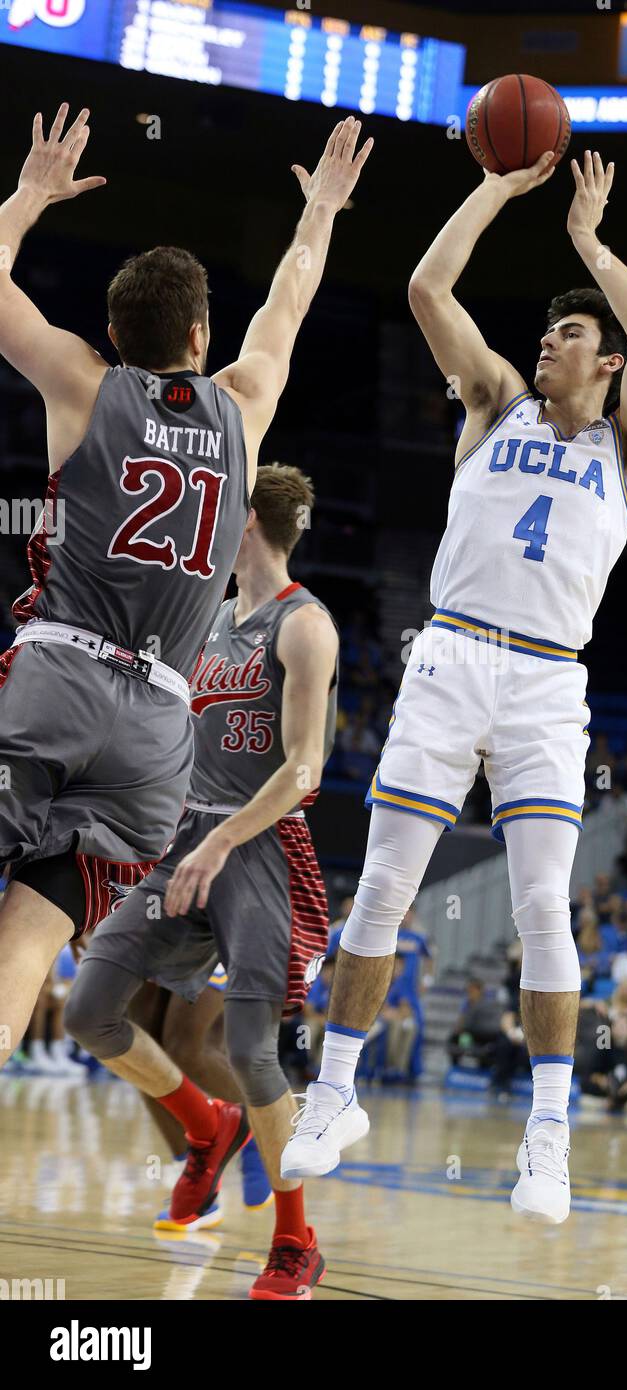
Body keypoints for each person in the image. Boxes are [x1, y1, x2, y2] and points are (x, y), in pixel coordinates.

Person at [281, 147, 627, 1226]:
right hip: (451, 654)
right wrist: (498, 191)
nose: (547, 341)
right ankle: (332, 1094)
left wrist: (591, 245)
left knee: (544, 901)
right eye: (547, 329)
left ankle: (547, 1137)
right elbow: (425, 288)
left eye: (569, 333)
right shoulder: (492, 400)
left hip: (548, 681)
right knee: (385, 884)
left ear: (603, 363)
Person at [0, 108, 370, 1071]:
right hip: (159, 736)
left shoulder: (84, 382)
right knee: (25, 951)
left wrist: (30, 196)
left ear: (114, 333)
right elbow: (288, 303)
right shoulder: (243, 410)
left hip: (59, 682)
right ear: (203, 336)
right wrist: (321, 210)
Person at [65, 464, 342, 1301]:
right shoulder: (209, 622)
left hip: (257, 847)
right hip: (182, 838)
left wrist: (220, 841)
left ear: (248, 522)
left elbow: (304, 769)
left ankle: (296, 1239)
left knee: (250, 1049)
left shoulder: (304, 626)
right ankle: (205, 1125)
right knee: (88, 1009)